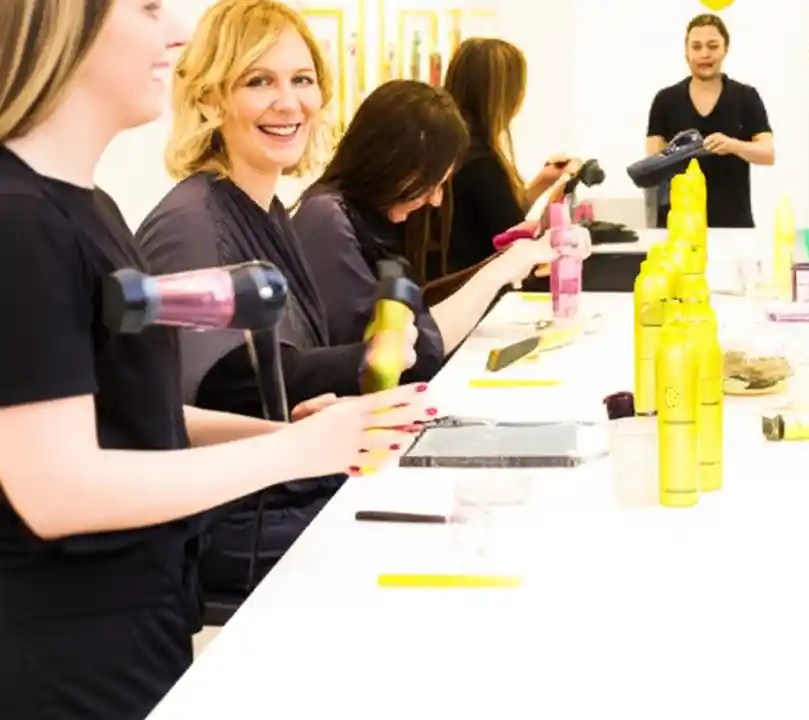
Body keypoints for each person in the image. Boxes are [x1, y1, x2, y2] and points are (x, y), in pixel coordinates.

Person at [0, 1, 426, 717]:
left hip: (145, 613)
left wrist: (303, 438)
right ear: (61, 23)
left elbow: (142, 416)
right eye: (146, 8)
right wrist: (295, 453)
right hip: (69, 654)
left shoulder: (87, 209)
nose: (176, 32)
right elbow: (57, 491)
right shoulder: (19, 223)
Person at [135, 0, 443, 606]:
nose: (289, 102)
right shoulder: (192, 221)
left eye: (302, 80)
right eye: (259, 81)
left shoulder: (269, 209)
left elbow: (277, 378)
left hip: (279, 486)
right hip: (230, 521)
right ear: (210, 97)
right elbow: (229, 382)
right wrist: (367, 359)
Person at [294, 79, 555, 349]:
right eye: (432, 185)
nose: (436, 200)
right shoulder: (327, 219)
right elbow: (389, 357)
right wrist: (501, 269)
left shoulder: (369, 220)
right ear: (392, 161)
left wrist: (503, 262)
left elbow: (418, 310)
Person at [436, 38, 577, 278]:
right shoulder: (482, 163)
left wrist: (542, 184)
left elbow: (495, 217)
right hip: (470, 294)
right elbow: (514, 244)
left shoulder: (449, 149)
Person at [646, 13, 774, 228]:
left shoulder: (746, 96)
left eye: (712, 46)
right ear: (686, 52)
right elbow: (651, 164)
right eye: (696, 47)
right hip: (676, 228)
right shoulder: (665, 100)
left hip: (733, 225)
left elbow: (767, 154)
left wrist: (733, 145)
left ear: (725, 49)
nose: (704, 54)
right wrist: (679, 151)